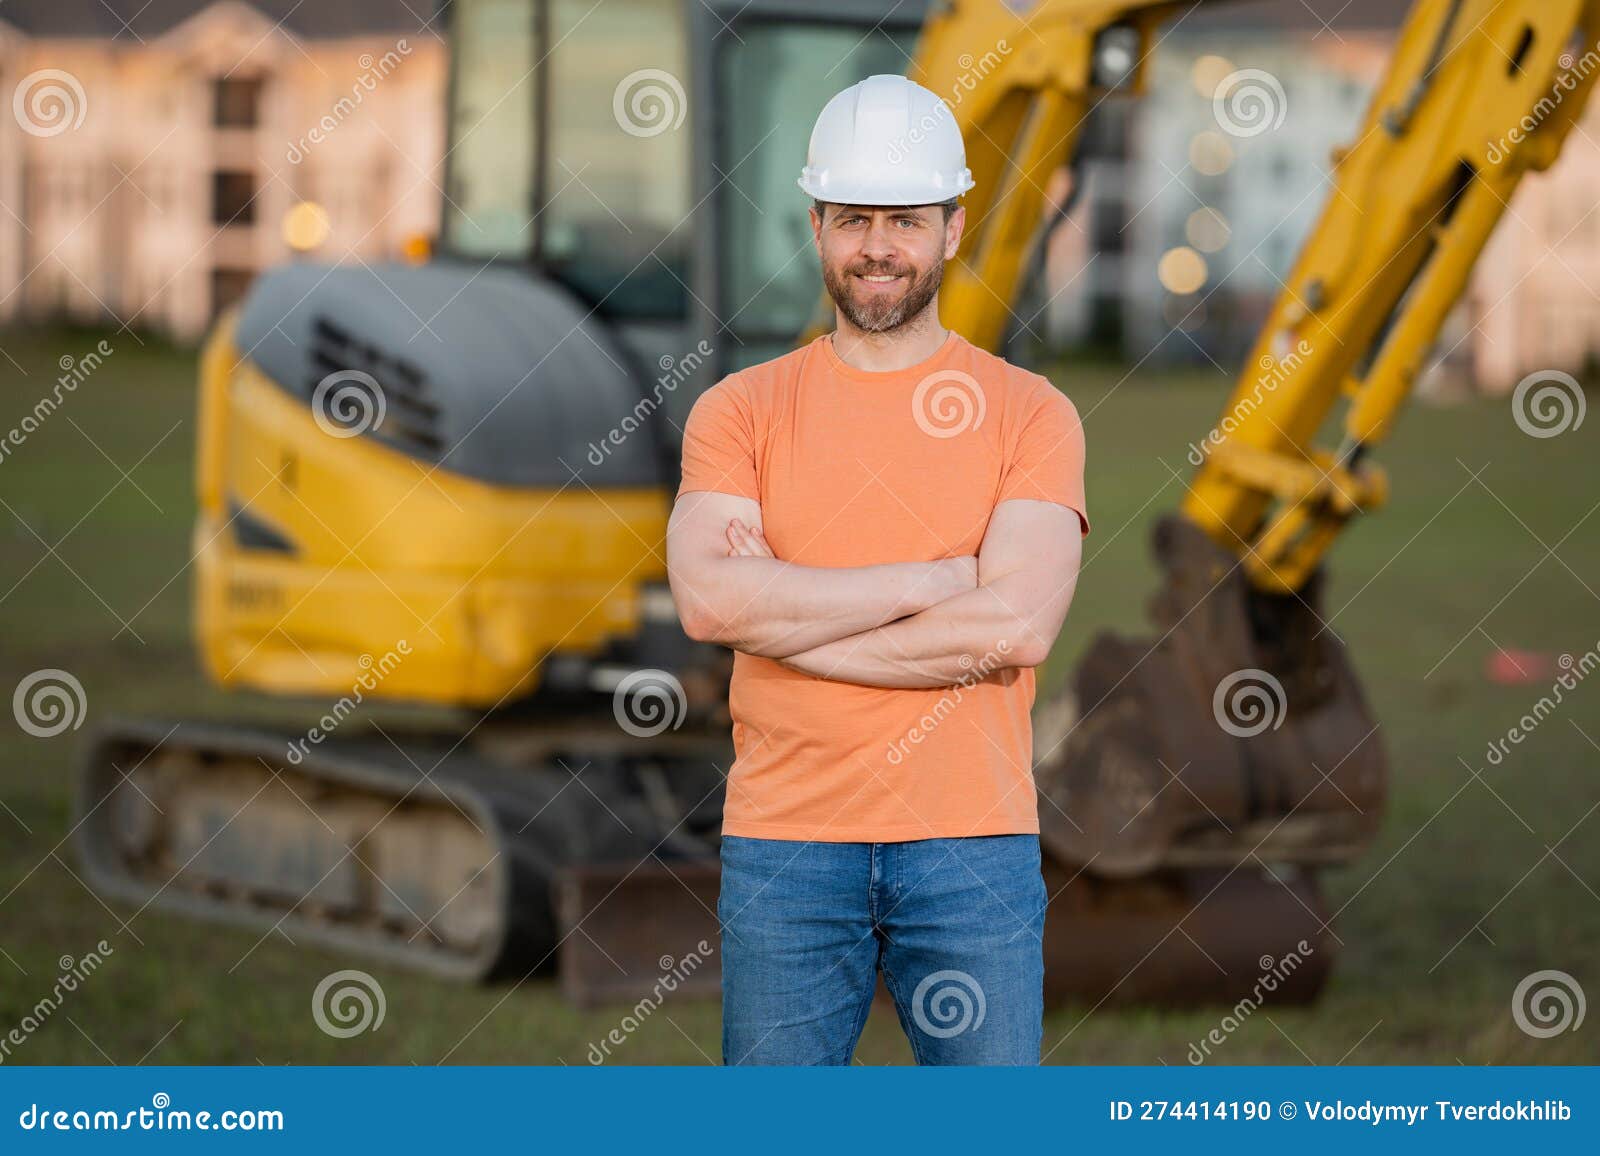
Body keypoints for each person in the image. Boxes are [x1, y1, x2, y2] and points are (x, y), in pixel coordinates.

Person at [665, 73, 1089, 1065]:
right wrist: (937, 581)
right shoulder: (738, 410)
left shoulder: (1031, 413)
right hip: (786, 843)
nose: (877, 246)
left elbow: (1015, 630)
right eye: (853, 218)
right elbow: (708, 600)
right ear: (816, 226)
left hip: (971, 844)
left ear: (952, 227)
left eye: (904, 218)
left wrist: (788, 623)